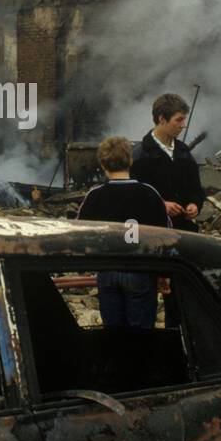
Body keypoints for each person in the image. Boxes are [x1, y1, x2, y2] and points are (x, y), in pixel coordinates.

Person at [77, 135, 169, 328]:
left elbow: (81, 235)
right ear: (130, 160)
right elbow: (164, 237)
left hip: (107, 271)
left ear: (102, 163)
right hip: (140, 271)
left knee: (113, 335)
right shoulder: (149, 193)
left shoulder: (94, 196)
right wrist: (163, 273)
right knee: (141, 335)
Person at [131, 91, 205, 230]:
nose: (183, 125)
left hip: (182, 231)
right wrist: (161, 205)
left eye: (184, 120)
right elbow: (131, 197)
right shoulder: (139, 155)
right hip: (149, 232)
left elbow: (196, 189)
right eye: (178, 120)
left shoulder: (183, 152)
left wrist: (194, 204)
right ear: (162, 119)